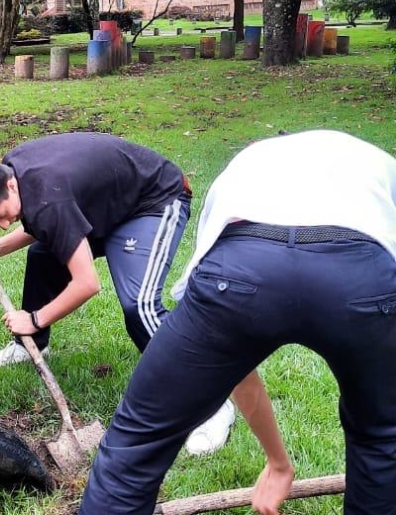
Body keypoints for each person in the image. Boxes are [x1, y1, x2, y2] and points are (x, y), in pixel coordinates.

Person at [79, 129, 396, 515]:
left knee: (137, 441)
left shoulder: (246, 165)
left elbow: (230, 363)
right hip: (361, 277)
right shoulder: (375, 160)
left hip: (241, 271)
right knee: (383, 437)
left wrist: (279, 463)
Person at [0, 131, 234, 456]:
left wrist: (34, 318)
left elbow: (87, 283)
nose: (3, 225)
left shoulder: (45, 196)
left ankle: (213, 404)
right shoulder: (14, 170)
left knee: (139, 306)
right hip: (110, 208)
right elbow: (43, 225)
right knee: (44, 255)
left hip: (155, 202)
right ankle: (32, 348)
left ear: (10, 186)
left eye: (1, 215)